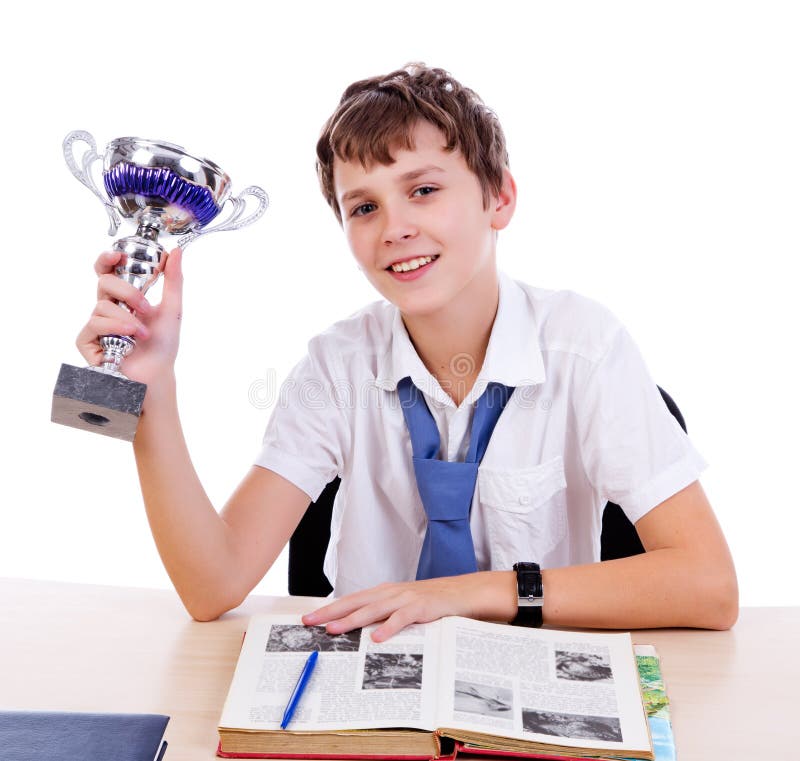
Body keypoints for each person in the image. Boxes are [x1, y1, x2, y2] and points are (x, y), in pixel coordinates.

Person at [76, 63, 738, 641]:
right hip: (370, 699)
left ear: (499, 198)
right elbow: (211, 584)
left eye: (423, 190)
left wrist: (464, 593)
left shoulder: (586, 348)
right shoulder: (336, 367)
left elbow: (709, 584)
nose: (395, 228)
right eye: (363, 207)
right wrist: (150, 392)